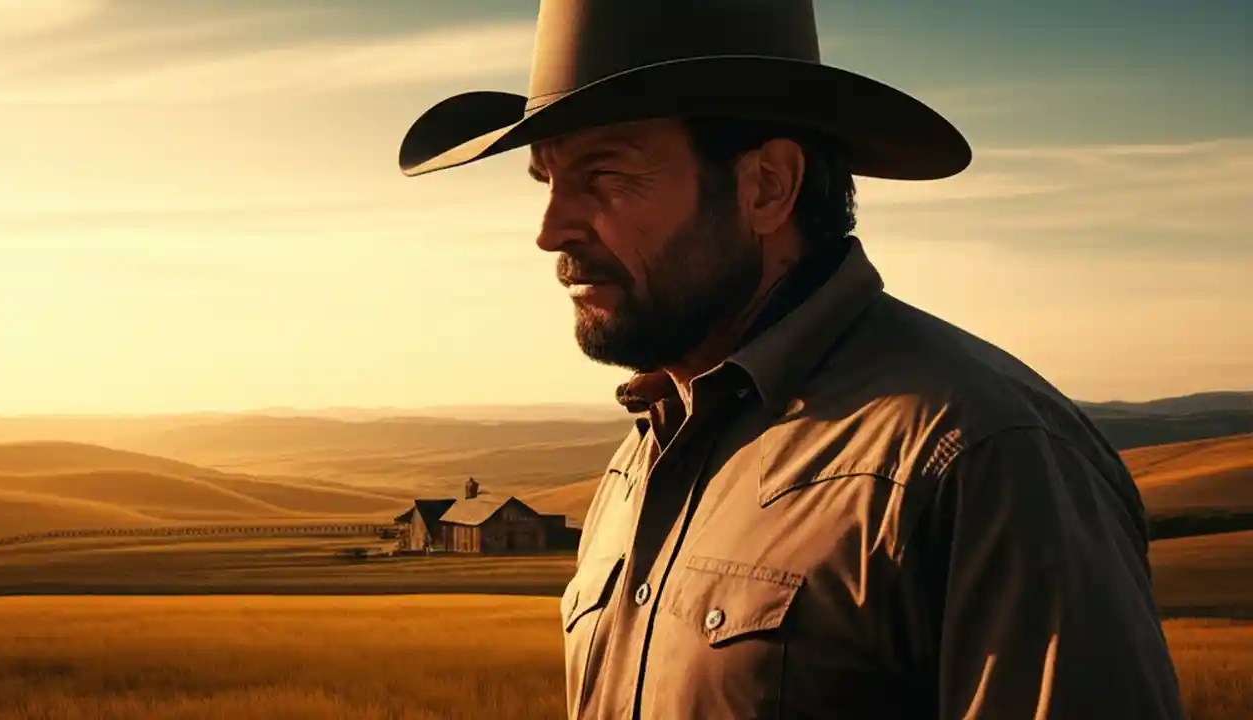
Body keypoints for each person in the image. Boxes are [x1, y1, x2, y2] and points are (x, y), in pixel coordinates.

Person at [398, 1, 1184, 718]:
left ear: (766, 187)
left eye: (602, 174)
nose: (552, 229)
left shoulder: (980, 455)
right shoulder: (643, 460)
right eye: (548, 181)